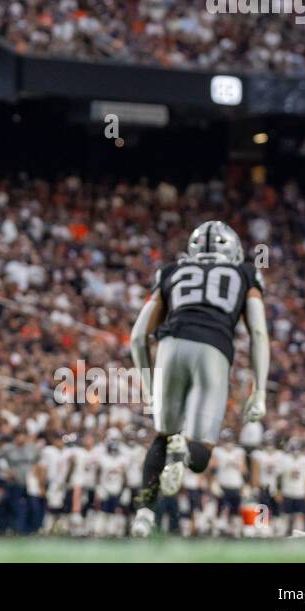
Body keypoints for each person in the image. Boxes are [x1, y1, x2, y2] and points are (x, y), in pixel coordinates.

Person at [129, 221, 269, 537]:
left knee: (163, 435)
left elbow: (138, 336)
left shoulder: (170, 272)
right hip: (213, 349)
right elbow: (258, 332)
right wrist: (259, 389)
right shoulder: (246, 273)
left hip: (170, 345)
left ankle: (144, 516)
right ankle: (184, 452)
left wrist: (149, 385)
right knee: (199, 456)